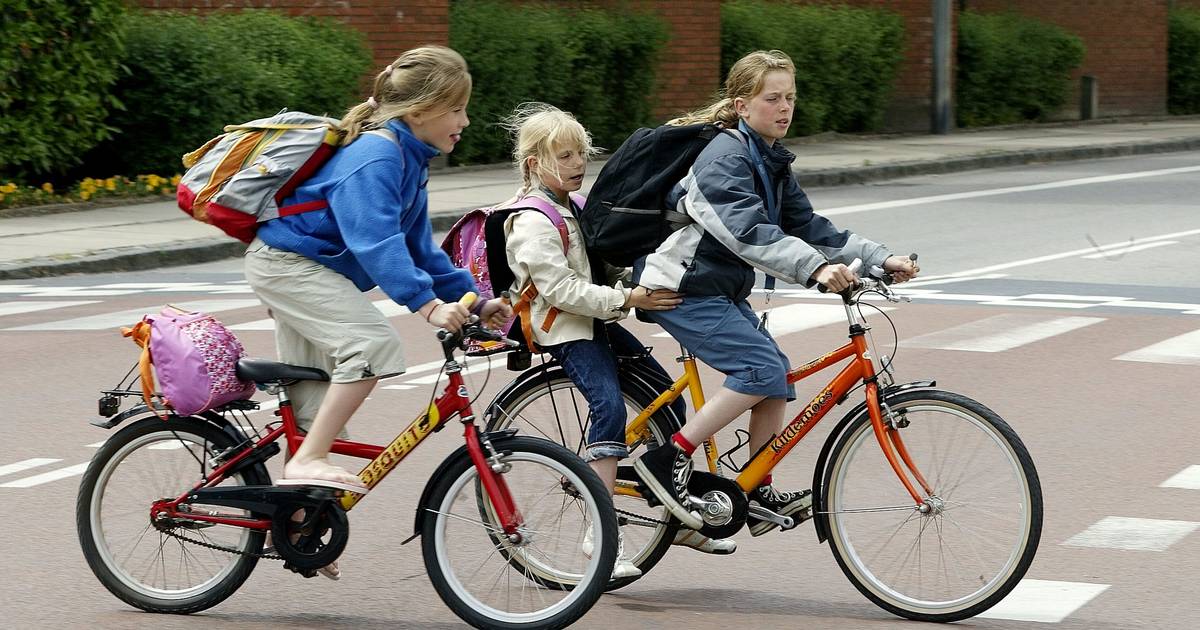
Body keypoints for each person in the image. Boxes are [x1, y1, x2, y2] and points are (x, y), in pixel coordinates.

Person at [631, 50, 920, 533]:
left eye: (790, 97)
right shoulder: (722, 158)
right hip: (681, 289)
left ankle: (753, 487)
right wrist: (817, 270)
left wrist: (879, 258)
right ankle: (667, 460)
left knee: (775, 375)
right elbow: (744, 230)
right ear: (742, 106)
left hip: (717, 289)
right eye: (772, 99)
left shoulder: (768, 158)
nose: (785, 108)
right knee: (759, 368)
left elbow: (808, 226)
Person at [245, 45, 511, 497]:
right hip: (288, 266)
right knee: (371, 346)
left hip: (309, 271)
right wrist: (427, 306)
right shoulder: (377, 156)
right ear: (422, 110)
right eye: (457, 109)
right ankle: (308, 459)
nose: (465, 121)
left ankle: (294, 518)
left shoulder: (410, 160)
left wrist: (476, 300)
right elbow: (376, 243)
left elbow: (417, 249)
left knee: (315, 405)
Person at [500, 103, 734, 577]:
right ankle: (600, 530)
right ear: (533, 165)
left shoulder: (575, 206)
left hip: (595, 319)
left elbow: (602, 265)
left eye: (581, 153)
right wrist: (630, 298)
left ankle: (673, 508)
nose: (577, 164)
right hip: (563, 327)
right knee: (607, 406)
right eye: (564, 156)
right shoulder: (529, 220)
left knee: (669, 404)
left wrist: (645, 282)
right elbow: (560, 290)